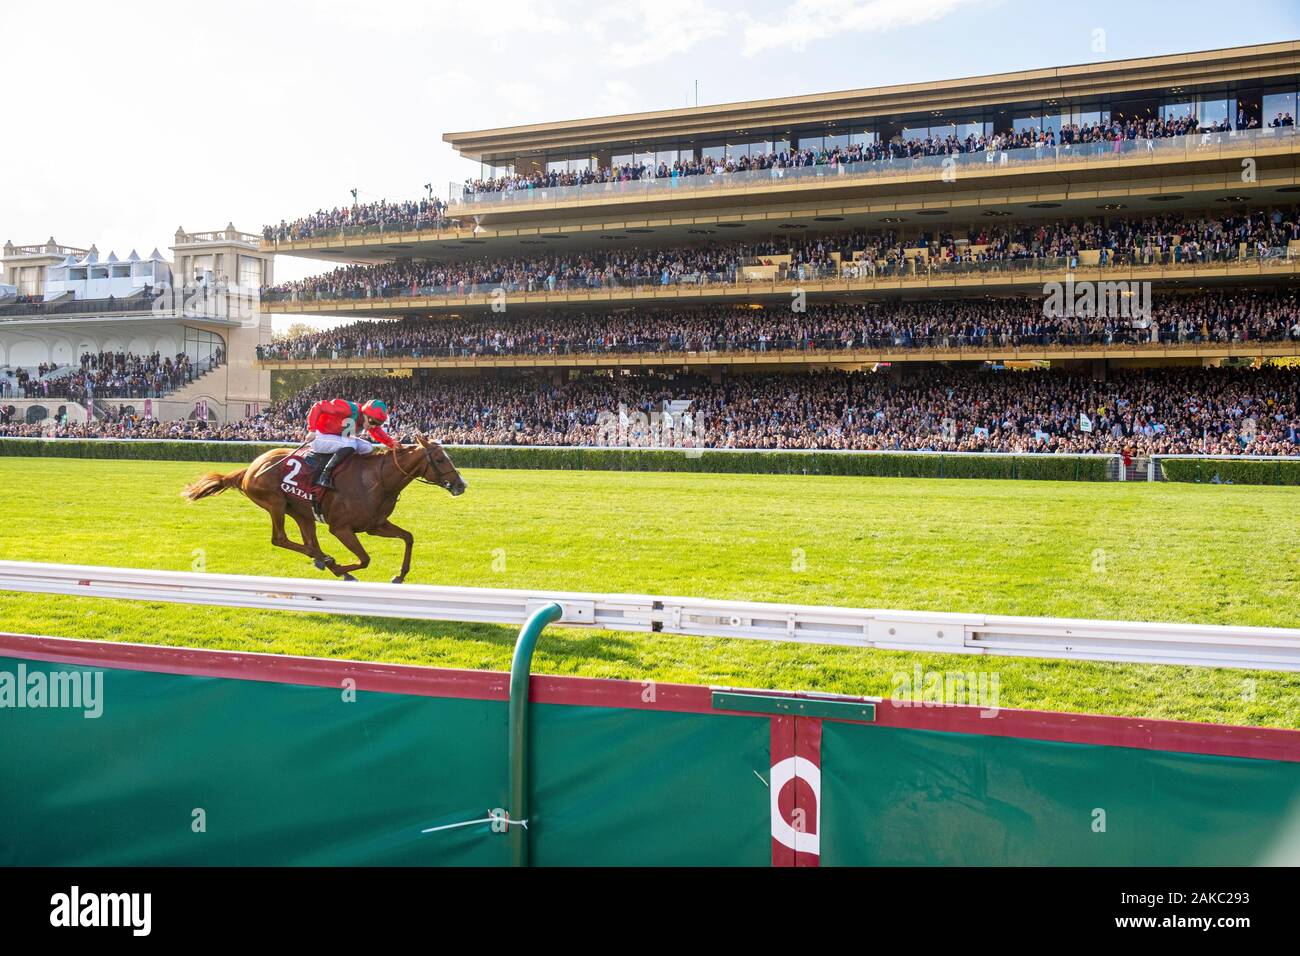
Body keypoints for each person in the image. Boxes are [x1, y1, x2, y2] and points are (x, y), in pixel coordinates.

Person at [306, 397, 397, 489]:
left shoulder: (368, 419)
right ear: (365, 413)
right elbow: (319, 406)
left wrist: (392, 444)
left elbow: (378, 432)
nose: (373, 425)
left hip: (336, 438)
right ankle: (325, 475)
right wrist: (311, 430)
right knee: (351, 444)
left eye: (377, 423)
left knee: (367, 447)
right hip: (319, 436)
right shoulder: (348, 408)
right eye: (372, 421)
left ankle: (354, 475)